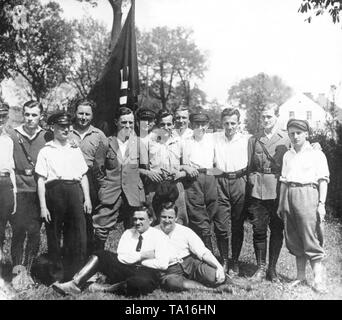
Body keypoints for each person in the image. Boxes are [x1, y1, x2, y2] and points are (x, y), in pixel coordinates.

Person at [52, 205, 169, 297]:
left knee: (139, 283)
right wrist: (143, 255)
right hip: (126, 268)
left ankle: (103, 289)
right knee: (100, 254)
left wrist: (138, 260)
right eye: (135, 219)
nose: (137, 222)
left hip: (147, 272)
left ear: (151, 220)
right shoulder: (128, 233)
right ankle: (75, 284)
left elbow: (162, 264)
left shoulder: (159, 236)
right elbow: (121, 257)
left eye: (141, 219)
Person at [35, 111, 92, 282]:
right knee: (53, 234)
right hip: (54, 193)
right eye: (61, 127)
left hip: (74, 192)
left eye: (68, 127)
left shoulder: (75, 149)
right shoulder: (45, 151)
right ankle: (55, 274)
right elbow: (40, 180)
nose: (65, 130)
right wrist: (43, 206)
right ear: (53, 128)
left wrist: (87, 198)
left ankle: (75, 274)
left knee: (77, 234)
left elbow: (83, 176)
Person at [277, 119, 329, 293]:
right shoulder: (287, 155)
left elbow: (323, 181)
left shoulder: (316, 154)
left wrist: (321, 204)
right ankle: (300, 276)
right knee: (294, 237)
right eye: (291, 133)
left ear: (306, 134)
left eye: (298, 133)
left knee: (310, 237)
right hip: (290, 195)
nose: (295, 136)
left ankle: (318, 280)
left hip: (308, 194)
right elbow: (284, 181)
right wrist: (281, 204)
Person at [7, 100, 50, 287]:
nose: (30, 118)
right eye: (27, 114)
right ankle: (17, 271)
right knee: (18, 232)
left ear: (41, 116)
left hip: (39, 192)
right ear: (23, 114)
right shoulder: (12, 134)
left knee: (34, 232)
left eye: (34, 115)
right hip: (19, 191)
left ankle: (30, 270)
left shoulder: (47, 136)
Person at [92, 107, 146, 251]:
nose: (128, 126)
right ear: (116, 122)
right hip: (111, 193)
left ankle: (132, 265)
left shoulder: (139, 144)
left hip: (133, 195)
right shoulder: (106, 142)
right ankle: (98, 261)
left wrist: (138, 185)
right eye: (124, 122)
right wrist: (104, 185)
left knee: (135, 230)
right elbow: (98, 168)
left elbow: (144, 168)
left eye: (131, 122)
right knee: (101, 228)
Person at [247, 103, 289, 282]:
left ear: (277, 117)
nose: (265, 120)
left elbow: (303, 148)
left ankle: (272, 269)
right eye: (263, 117)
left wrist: (316, 145)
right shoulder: (254, 139)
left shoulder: (286, 138)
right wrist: (251, 179)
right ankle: (260, 268)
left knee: (277, 230)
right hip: (259, 190)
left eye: (269, 117)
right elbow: (250, 165)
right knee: (259, 229)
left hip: (278, 189)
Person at [155, 201, 227, 292]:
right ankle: (207, 289)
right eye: (163, 217)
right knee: (172, 282)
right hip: (169, 270)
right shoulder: (152, 233)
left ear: (176, 218)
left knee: (213, 275)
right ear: (158, 217)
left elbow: (202, 251)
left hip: (190, 264)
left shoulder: (185, 231)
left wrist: (219, 267)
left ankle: (240, 285)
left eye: (170, 217)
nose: (166, 220)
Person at [212, 108, 250, 276]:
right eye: (226, 123)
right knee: (220, 225)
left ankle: (234, 260)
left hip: (239, 181)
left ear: (238, 123)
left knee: (237, 224)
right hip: (219, 180)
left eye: (233, 123)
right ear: (222, 123)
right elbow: (189, 136)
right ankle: (224, 259)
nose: (229, 126)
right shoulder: (213, 138)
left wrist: (314, 144)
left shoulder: (247, 139)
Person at [69, 98, 107, 256]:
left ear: (92, 116)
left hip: (90, 180)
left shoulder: (99, 135)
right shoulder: (67, 131)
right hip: (68, 178)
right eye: (80, 113)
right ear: (75, 113)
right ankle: (70, 258)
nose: (83, 117)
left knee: (88, 221)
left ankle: (88, 259)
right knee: (70, 221)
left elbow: (101, 164)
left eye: (87, 114)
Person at [141, 109, 188, 225]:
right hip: (154, 185)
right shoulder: (147, 141)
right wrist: (148, 173)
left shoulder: (180, 141)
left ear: (173, 125)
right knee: (153, 221)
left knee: (178, 221)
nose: (166, 127)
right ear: (157, 124)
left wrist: (180, 173)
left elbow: (187, 166)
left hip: (175, 184)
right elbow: (136, 168)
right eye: (162, 124)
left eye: (169, 124)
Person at [181, 111, 217, 252]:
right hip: (193, 178)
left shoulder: (212, 139)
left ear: (207, 125)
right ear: (192, 125)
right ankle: (208, 251)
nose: (200, 127)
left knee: (210, 211)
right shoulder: (186, 141)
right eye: (197, 124)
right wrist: (186, 167)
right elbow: (182, 162)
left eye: (203, 124)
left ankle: (200, 247)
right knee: (197, 214)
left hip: (210, 175)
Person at [0, 103, 17, 294]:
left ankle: (3, 277)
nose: (0, 120)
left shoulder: (8, 140)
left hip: (5, 185)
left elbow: (11, 169)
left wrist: (14, 195)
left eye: (3, 116)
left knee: (1, 229)